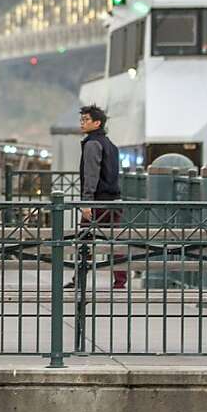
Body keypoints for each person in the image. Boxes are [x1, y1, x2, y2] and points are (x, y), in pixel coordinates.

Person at [77, 103, 126, 291]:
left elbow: (91, 174)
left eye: (86, 120)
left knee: (84, 240)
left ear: (97, 123)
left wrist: (87, 202)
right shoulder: (111, 145)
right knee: (114, 241)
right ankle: (120, 281)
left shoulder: (92, 144)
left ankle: (79, 279)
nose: (82, 123)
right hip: (113, 199)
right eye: (81, 119)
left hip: (97, 201)